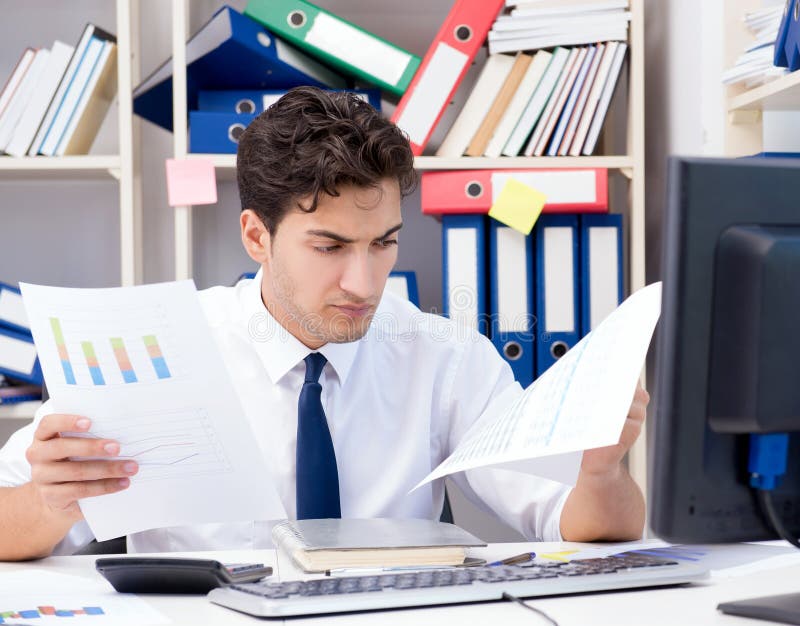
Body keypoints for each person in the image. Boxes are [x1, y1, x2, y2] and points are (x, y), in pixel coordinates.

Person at [0, 87, 649, 560]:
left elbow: (586, 528)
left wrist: (601, 473)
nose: (366, 284)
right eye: (330, 247)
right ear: (256, 236)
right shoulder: (154, 350)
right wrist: (54, 501)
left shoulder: (444, 357)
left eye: (384, 242)